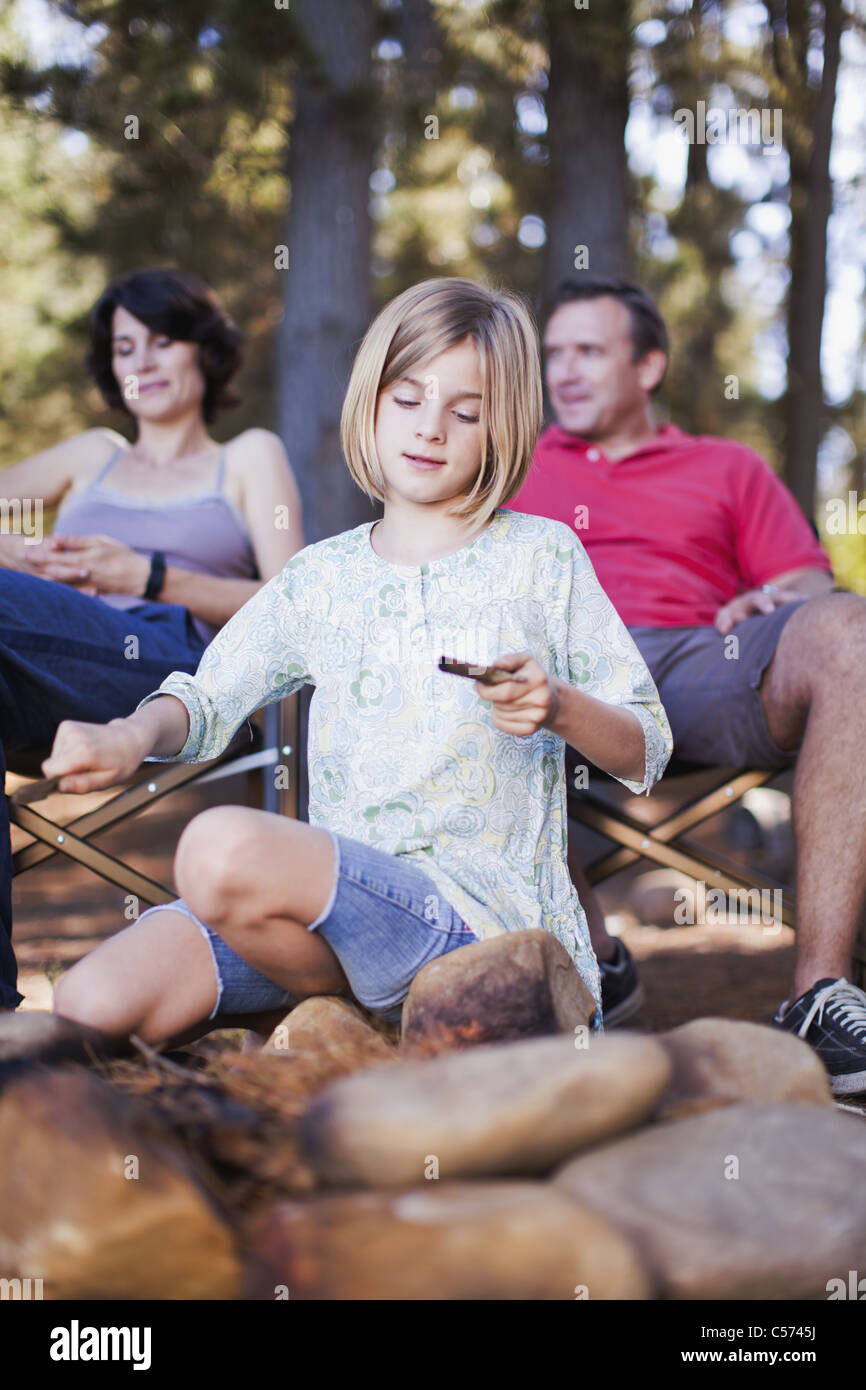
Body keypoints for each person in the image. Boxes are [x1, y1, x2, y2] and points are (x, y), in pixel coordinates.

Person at [41, 276, 672, 1051]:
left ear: (501, 426)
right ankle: (363, 1015)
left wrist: (561, 707)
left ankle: (385, 1023)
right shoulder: (320, 577)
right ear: (369, 403)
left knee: (216, 849)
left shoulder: (542, 557)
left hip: (472, 923)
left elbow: (648, 746)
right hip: (332, 913)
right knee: (84, 1003)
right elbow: (204, 702)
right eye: (406, 400)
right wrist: (127, 738)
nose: (430, 429)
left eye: (464, 412)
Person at [508, 274, 866, 1096]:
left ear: (648, 366)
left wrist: (775, 599)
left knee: (849, 630)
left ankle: (820, 993)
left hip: (698, 661)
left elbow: (811, 584)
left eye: (589, 352)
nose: (563, 371)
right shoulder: (514, 467)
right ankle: (594, 963)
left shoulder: (725, 466)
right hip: (556, 673)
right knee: (469, 702)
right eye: (553, 353)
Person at [0, 267, 303, 1011]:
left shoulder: (246, 457)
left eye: (161, 341)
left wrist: (149, 572)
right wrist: (25, 557)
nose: (140, 361)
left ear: (205, 350)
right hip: (42, 670)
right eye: (125, 347)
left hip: (171, 672)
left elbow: (301, 606)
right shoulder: (89, 456)